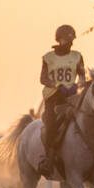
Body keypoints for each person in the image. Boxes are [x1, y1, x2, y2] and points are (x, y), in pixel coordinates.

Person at [38, 24, 89, 178]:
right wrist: (58, 85)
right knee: (52, 125)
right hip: (53, 97)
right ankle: (49, 159)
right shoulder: (48, 57)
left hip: (72, 96)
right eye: (67, 39)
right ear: (59, 39)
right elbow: (43, 78)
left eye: (72, 40)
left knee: (91, 118)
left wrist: (78, 86)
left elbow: (81, 76)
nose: (70, 43)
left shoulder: (77, 56)